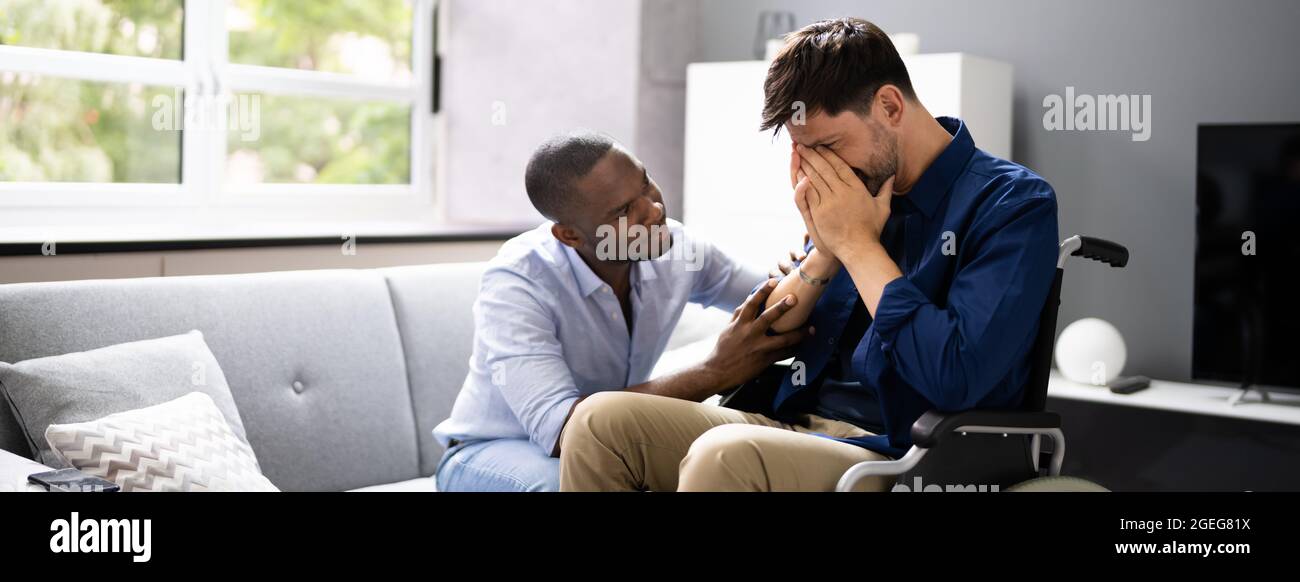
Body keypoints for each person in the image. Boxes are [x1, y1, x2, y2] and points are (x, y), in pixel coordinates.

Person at [559, 17, 1060, 492]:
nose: (820, 169)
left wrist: (859, 247)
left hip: (905, 453)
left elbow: (953, 377)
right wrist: (823, 251)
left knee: (724, 453)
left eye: (830, 145)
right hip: (790, 423)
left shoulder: (1012, 204)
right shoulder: (852, 191)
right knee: (598, 419)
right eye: (805, 151)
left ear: (889, 106)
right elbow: (773, 337)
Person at [432, 131, 806, 491]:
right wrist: (712, 372)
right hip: (493, 450)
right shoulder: (517, 282)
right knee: (565, 484)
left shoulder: (678, 248)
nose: (654, 208)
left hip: (610, 445)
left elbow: (772, 300)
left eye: (644, 183)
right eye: (624, 210)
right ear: (570, 236)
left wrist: (813, 263)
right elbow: (565, 429)